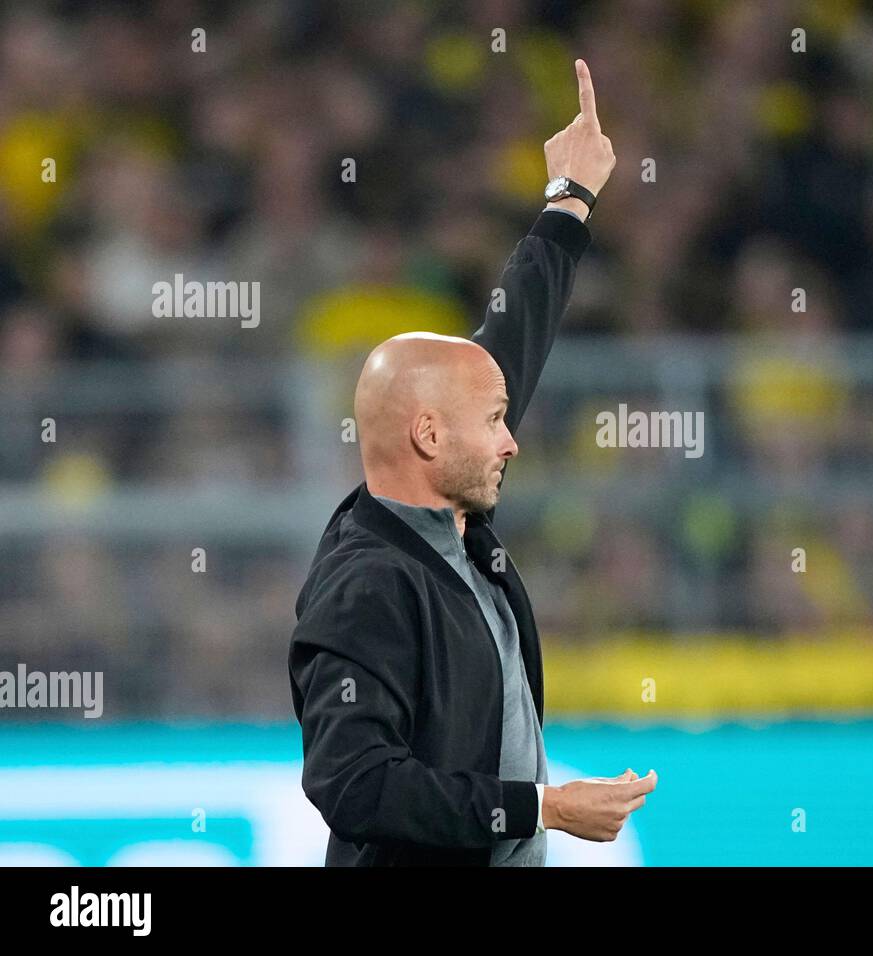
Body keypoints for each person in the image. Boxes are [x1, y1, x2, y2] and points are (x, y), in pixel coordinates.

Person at [289, 59, 656, 866]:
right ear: (429, 437)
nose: (511, 439)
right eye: (494, 422)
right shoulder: (368, 586)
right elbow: (356, 784)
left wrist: (570, 200)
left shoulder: (446, 515)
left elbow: (507, 346)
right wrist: (543, 808)